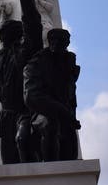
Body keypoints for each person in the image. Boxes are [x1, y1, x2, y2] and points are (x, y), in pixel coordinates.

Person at [0, 0, 43, 163]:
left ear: (13, 36)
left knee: (24, 147)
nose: (0, 37)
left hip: (24, 113)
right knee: (8, 163)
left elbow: (33, 27)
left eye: (3, 34)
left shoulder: (24, 50)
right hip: (6, 116)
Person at [23, 28, 81, 161]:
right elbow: (32, 97)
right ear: (50, 42)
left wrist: (70, 114)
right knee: (50, 125)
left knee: (71, 152)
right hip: (41, 114)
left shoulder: (69, 62)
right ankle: (49, 171)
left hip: (66, 116)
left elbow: (70, 94)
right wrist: (63, 111)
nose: (59, 46)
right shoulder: (36, 63)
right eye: (55, 41)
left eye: (64, 43)